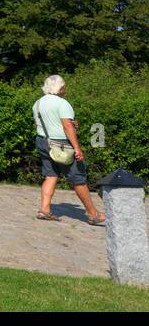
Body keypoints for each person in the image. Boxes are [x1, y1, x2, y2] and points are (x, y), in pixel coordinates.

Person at [34, 74, 105, 225]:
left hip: (42, 141)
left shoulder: (38, 103)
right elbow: (66, 126)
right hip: (62, 145)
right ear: (59, 88)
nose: (65, 89)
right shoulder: (62, 103)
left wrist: (71, 125)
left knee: (51, 175)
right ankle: (93, 214)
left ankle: (44, 209)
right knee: (78, 178)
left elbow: (42, 124)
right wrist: (77, 148)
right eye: (64, 86)